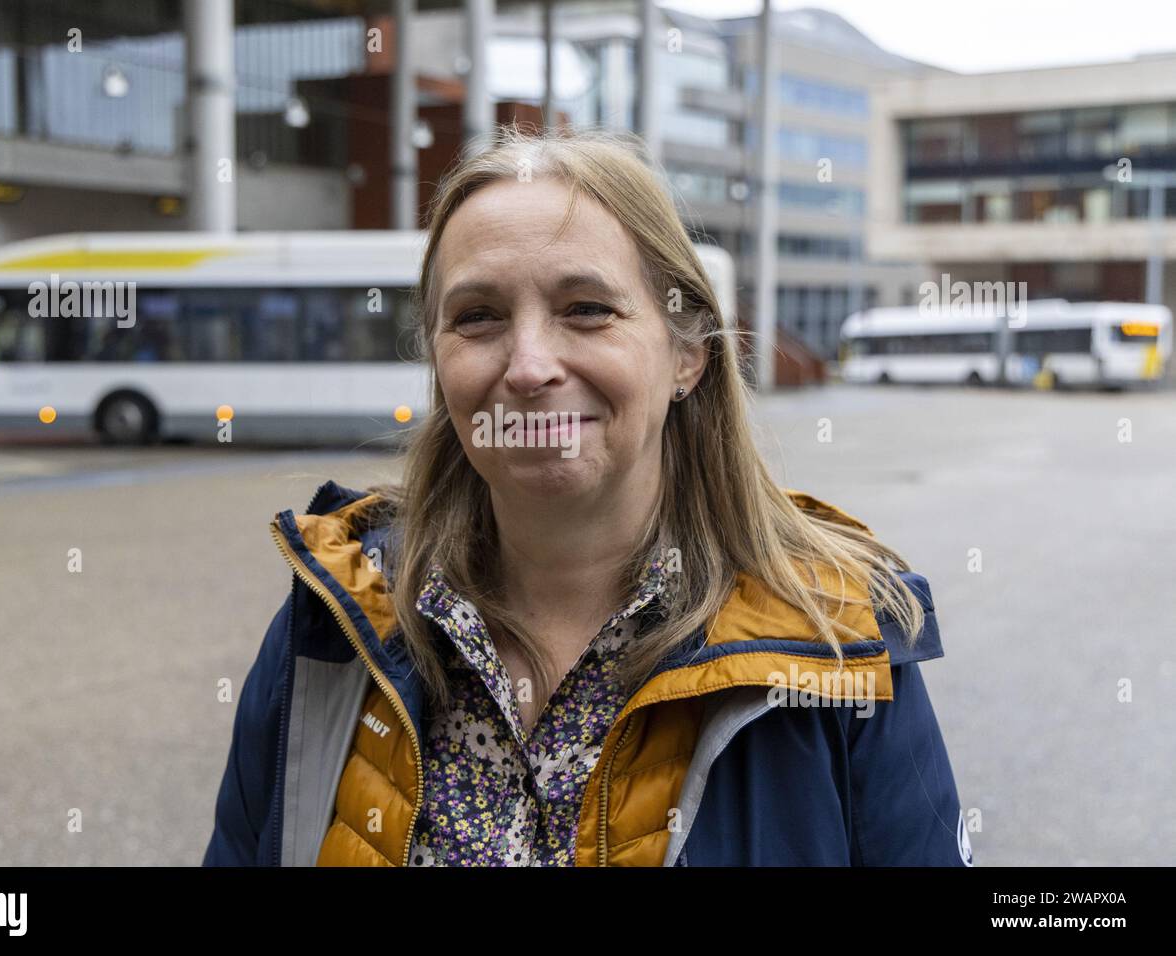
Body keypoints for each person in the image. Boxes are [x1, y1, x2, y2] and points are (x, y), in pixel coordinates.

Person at [203, 125, 972, 867]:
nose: (529, 366)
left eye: (587, 309)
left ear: (686, 356)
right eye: (478, 317)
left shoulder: (838, 643)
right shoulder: (335, 623)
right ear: (437, 362)